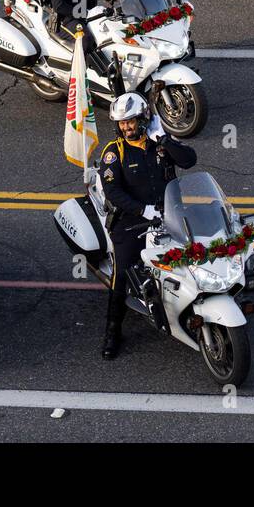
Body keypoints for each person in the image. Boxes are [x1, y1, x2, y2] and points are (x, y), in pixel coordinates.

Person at [96, 92, 197, 359]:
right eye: (122, 123)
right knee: (122, 274)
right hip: (131, 224)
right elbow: (113, 191)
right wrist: (143, 210)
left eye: (131, 121)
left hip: (169, 217)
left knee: (193, 259)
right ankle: (113, 330)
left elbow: (189, 160)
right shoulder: (113, 152)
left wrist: (163, 139)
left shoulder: (160, 144)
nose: (126, 127)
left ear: (143, 119)